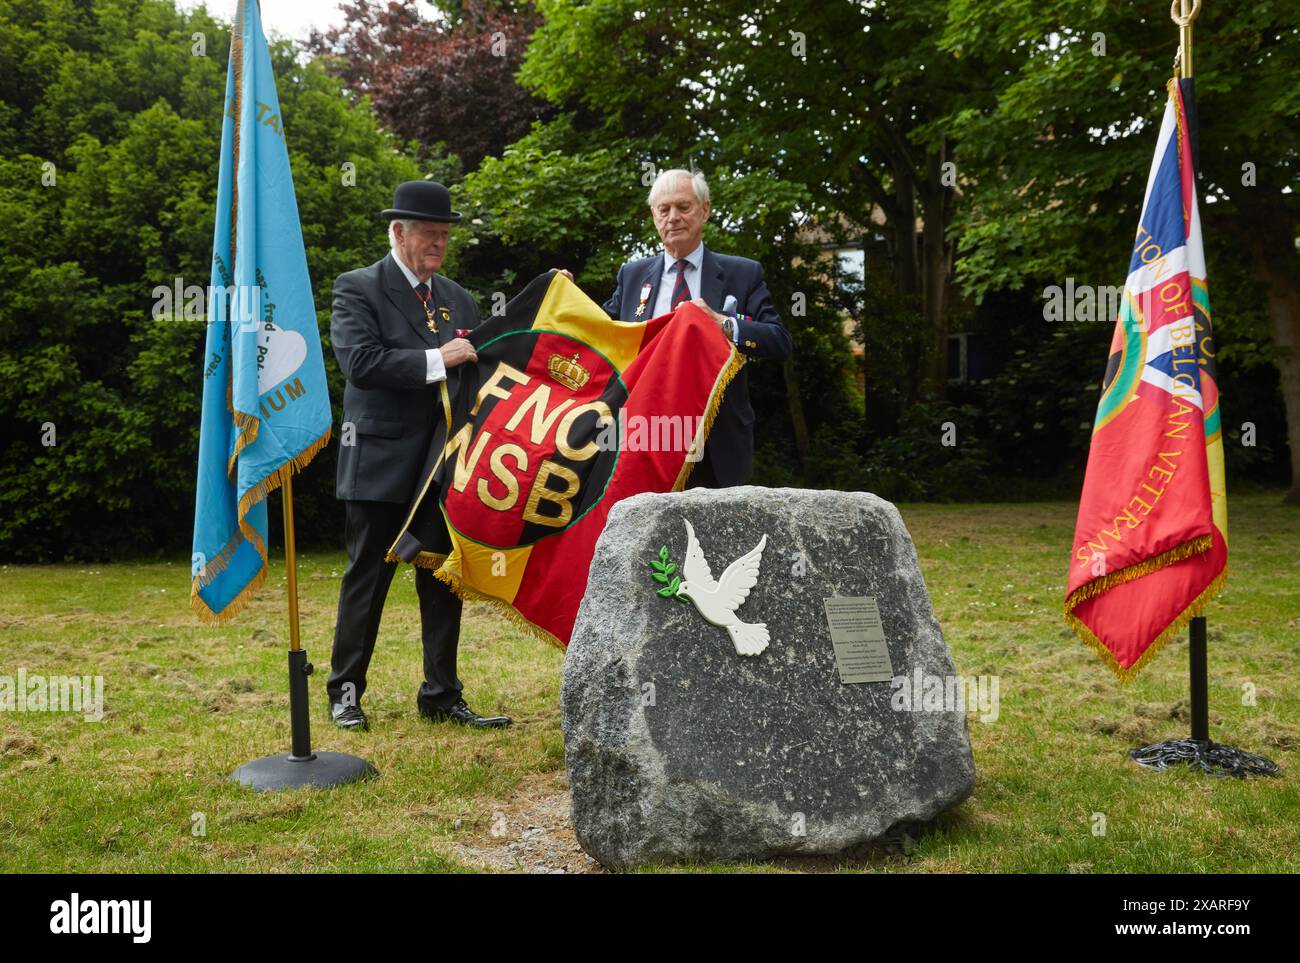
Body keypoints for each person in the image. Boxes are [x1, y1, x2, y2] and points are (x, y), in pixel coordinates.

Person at [326, 180, 511, 731]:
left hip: (444, 465)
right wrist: (438, 358)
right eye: (428, 233)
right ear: (398, 232)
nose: (438, 243)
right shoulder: (357, 288)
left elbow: (483, 364)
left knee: (440, 577)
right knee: (368, 577)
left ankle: (441, 694)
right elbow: (360, 363)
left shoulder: (459, 298)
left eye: (444, 234)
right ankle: (346, 691)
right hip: (379, 462)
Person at [603, 169, 792, 486]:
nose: (673, 217)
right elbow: (602, 336)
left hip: (718, 439)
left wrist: (723, 324)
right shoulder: (632, 275)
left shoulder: (742, 273)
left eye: (683, 207)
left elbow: (780, 341)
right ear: (654, 217)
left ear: (705, 210)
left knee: (721, 535)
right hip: (645, 439)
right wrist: (565, 298)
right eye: (664, 210)